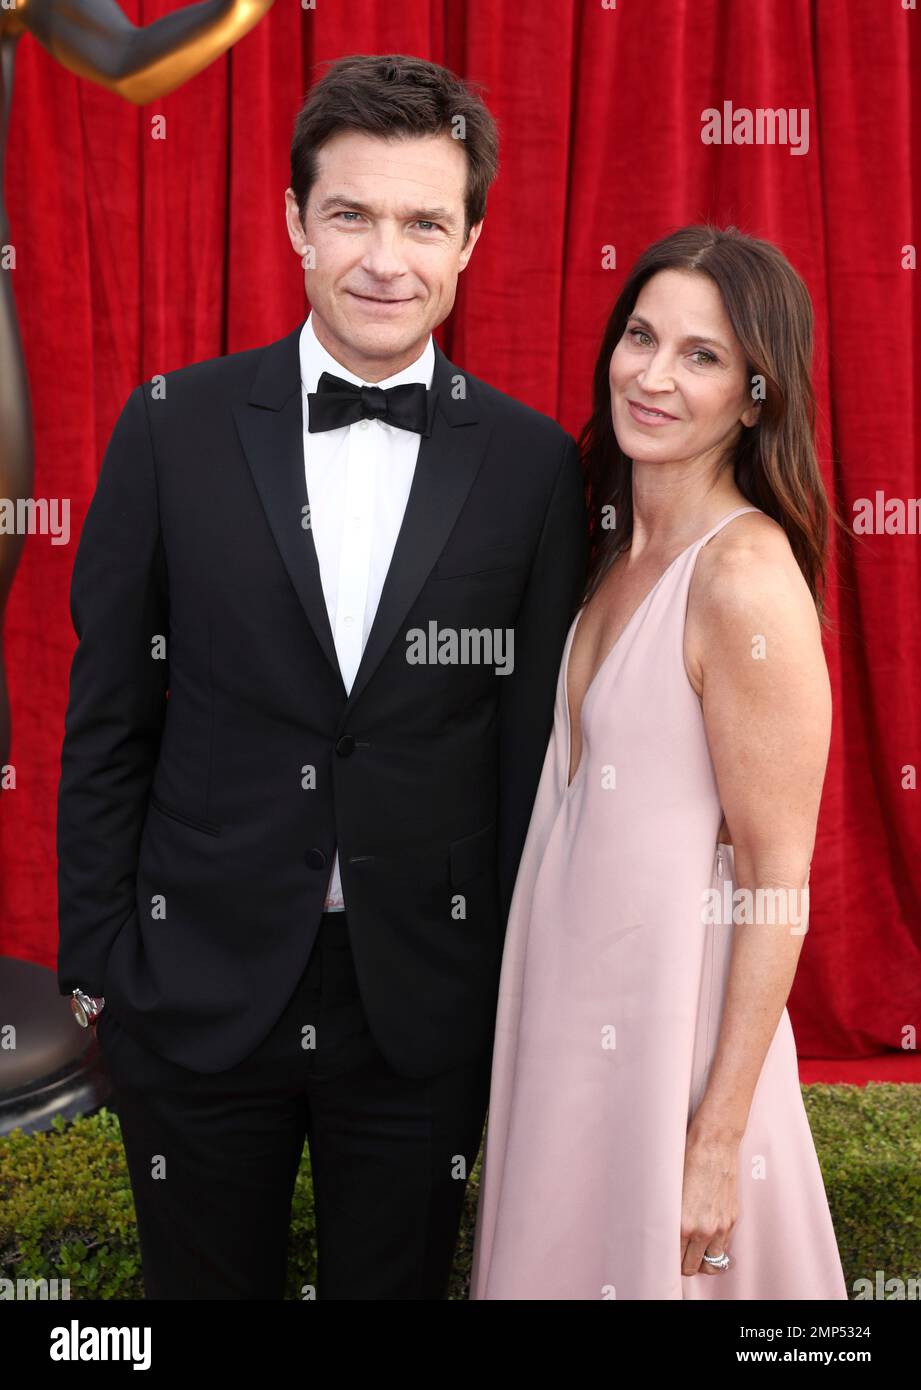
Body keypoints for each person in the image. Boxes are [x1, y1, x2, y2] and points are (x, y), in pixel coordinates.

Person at [56, 52, 587, 1300]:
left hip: (422, 1003)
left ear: (470, 243)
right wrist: (103, 975)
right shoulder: (170, 427)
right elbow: (106, 720)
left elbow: (529, 757)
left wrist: (509, 989)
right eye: (351, 213)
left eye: (423, 222)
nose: (384, 258)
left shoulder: (531, 466)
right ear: (296, 222)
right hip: (195, 984)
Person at [470, 225, 849, 1300]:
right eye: (642, 335)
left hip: (671, 1062)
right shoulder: (607, 556)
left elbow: (779, 884)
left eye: (702, 356)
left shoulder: (743, 578)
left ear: (756, 395)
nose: (652, 374)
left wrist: (718, 1140)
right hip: (560, 1042)